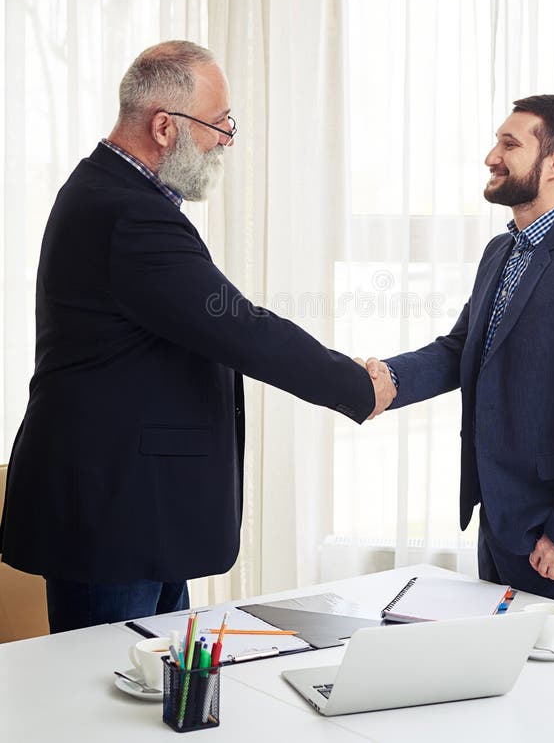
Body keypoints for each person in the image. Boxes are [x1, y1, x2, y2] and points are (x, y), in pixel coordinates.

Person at [0, 40, 395, 632]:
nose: (227, 139)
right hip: (112, 518)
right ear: (164, 126)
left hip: (140, 513)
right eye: (219, 123)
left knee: (163, 704)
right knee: (104, 714)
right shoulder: (126, 212)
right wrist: (355, 387)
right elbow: (238, 326)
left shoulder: (116, 195)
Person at [362, 95, 554, 611]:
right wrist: (385, 379)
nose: (492, 156)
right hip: (501, 519)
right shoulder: (501, 250)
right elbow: (461, 350)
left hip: (553, 540)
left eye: (509, 144)